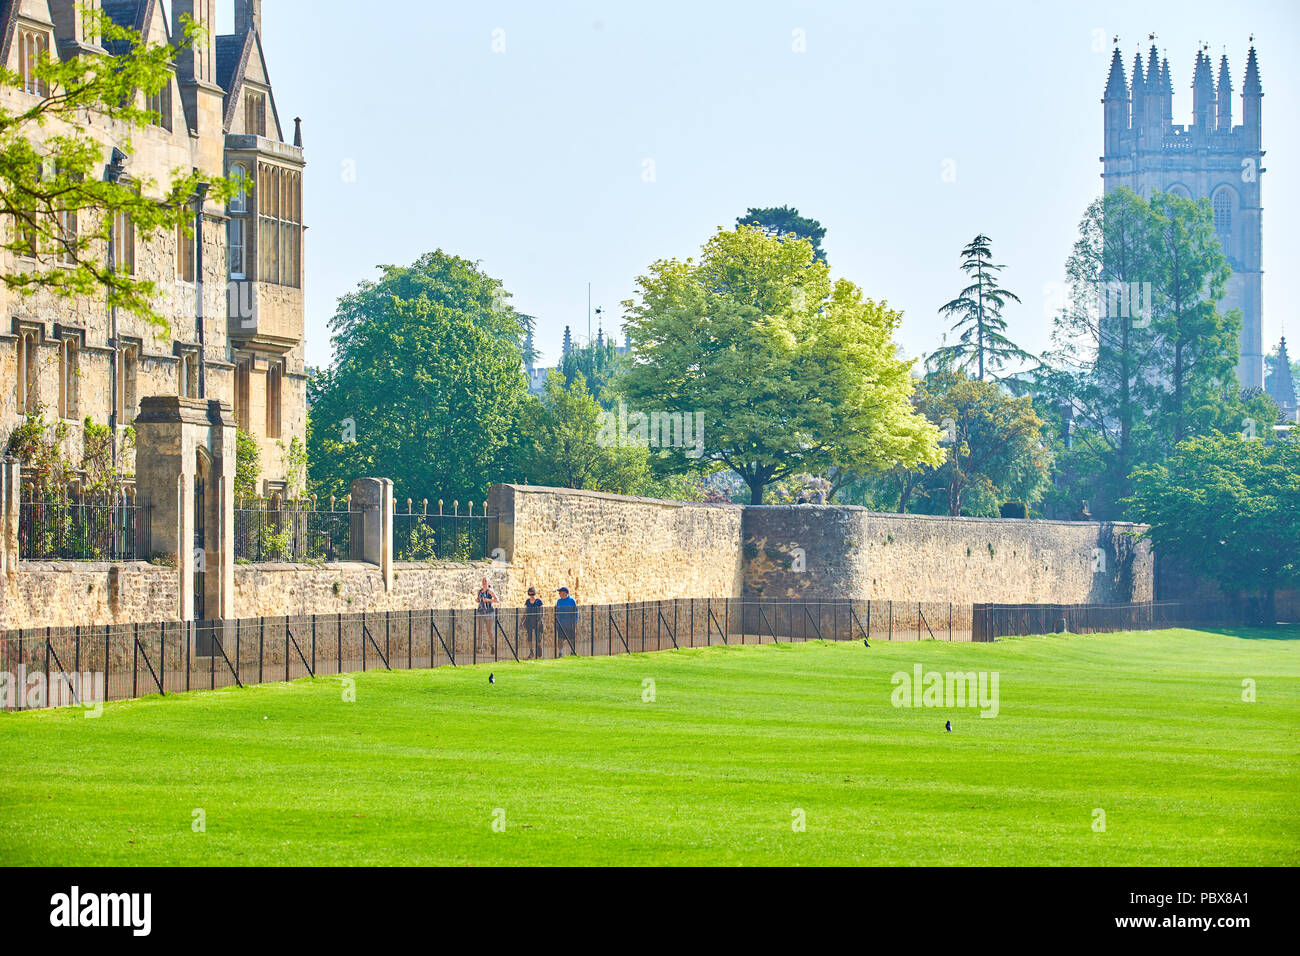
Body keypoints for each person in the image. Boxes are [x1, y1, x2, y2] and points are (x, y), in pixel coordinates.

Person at [475, 577, 498, 656]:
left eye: (485, 581)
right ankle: (480, 647)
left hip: (489, 612)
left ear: (488, 583)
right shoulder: (479, 591)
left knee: (489, 631)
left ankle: (493, 645)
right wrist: (477, 600)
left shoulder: (490, 591)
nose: (484, 582)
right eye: (483, 581)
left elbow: (497, 600)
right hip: (481, 612)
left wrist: (488, 600)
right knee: (480, 630)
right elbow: (478, 599)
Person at [555, 586, 578, 656]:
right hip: (561, 624)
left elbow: (575, 612)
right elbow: (557, 612)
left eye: (560, 592)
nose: (559, 594)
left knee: (571, 639)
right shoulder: (559, 601)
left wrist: (575, 622)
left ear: (565, 593)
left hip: (570, 624)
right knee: (560, 639)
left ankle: (572, 651)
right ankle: (560, 652)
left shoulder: (572, 601)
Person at [523, 587, 544, 658]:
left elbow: (542, 611)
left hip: (537, 620)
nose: (531, 596)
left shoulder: (539, 601)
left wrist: (540, 620)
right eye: (530, 594)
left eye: (532, 594)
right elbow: (525, 612)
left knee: (538, 636)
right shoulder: (527, 601)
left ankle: (539, 646)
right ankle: (531, 652)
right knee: (529, 637)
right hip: (529, 620)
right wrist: (522, 621)